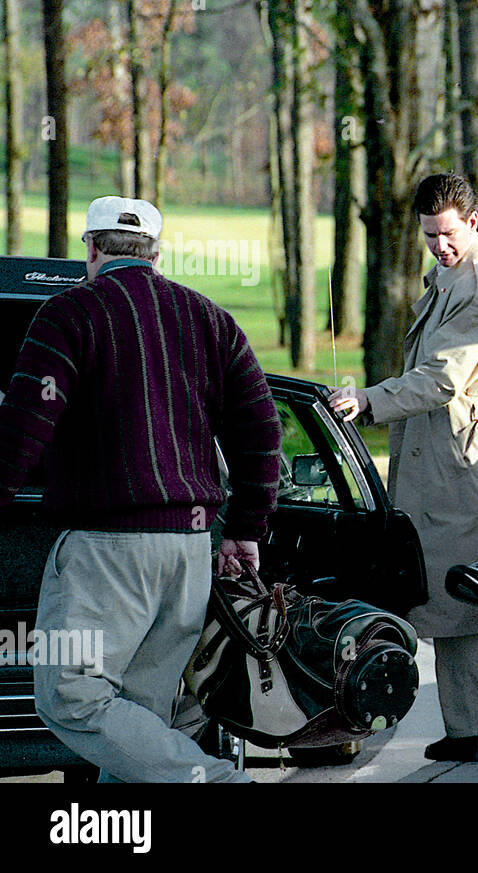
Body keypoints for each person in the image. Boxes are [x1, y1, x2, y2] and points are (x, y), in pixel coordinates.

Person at [0, 196, 281, 782]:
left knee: (71, 698)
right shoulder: (211, 319)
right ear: (156, 252)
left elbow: (22, 430)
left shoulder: (67, 315)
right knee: (143, 717)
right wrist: (248, 529)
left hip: (106, 553)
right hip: (190, 554)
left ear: (92, 249)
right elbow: (262, 427)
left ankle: (221, 782)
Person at [328, 172, 478, 764]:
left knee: (465, 599)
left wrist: (369, 400)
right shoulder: (453, 274)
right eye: (430, 236)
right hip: (450, 457)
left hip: (465, 463)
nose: (439, 246)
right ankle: (473, 728)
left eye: (448, 234)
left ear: (472, 222)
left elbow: (443, 378)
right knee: (453, 594)